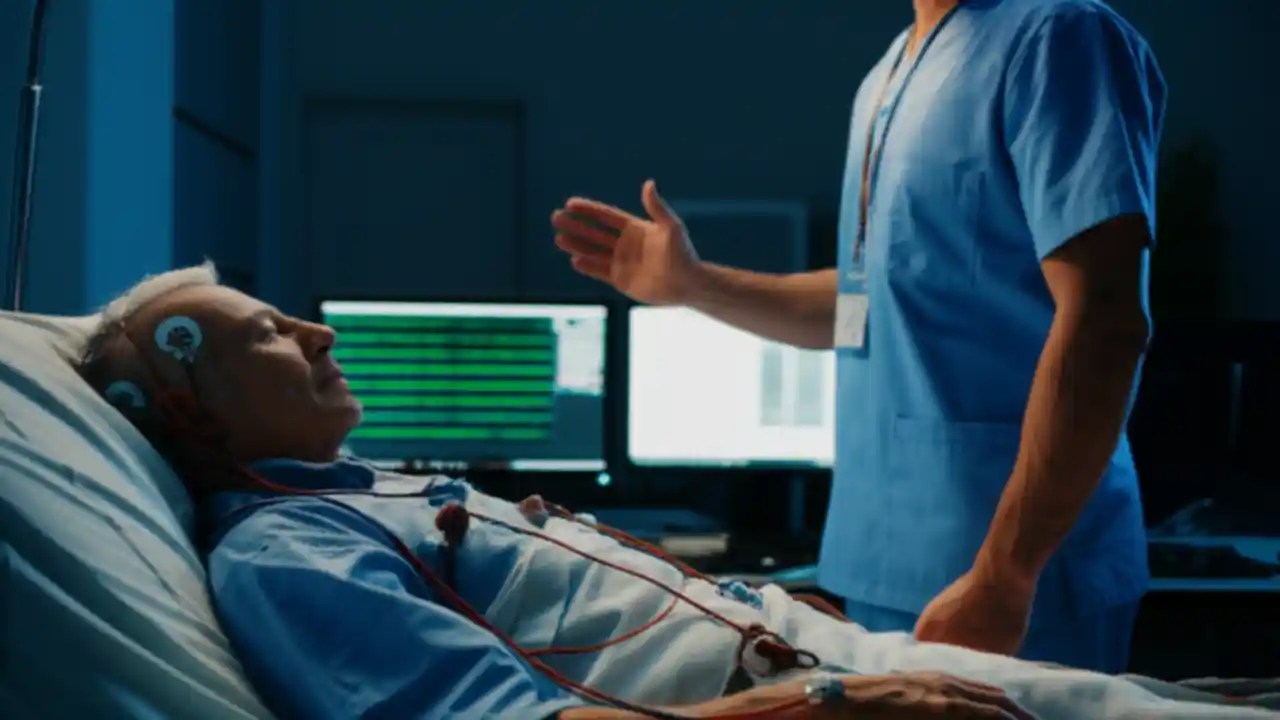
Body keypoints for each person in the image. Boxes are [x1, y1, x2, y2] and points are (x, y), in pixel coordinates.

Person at [75, 267, 1277, 720]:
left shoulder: (361, 496)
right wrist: (835, 705)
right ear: (185, 410)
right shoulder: (289, 554)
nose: (317, 332)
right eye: (266, 333)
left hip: (835, 657)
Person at [551, 0, 1165, 674]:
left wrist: (1005, 573)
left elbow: (1105, 320)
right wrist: (695, 285)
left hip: (1021, 584)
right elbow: (864, 310)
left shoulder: (1059, 37)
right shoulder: (887, 76)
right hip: (883, 572)